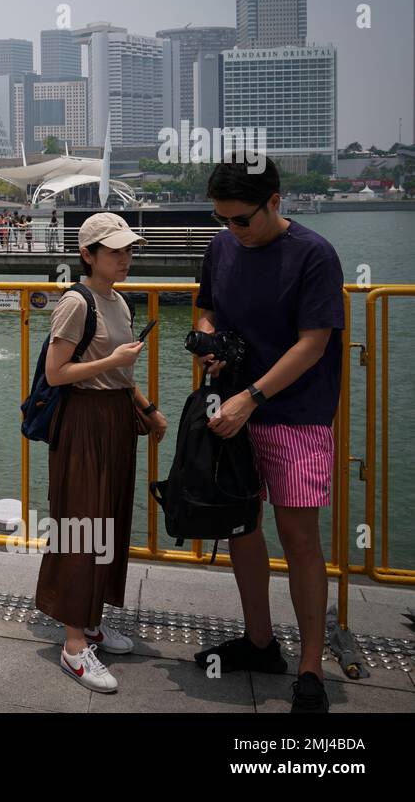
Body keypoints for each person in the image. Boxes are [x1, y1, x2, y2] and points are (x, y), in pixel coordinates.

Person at [192, 158, 343, 714]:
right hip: (231, 411)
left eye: (241, 219)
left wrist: (252, 396)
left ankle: (311, 669)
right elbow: (205, 308)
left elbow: (313, 343)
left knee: (300, 539)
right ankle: (260, 643)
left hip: (294, 414)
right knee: (241, 527)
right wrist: (209, 341)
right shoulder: (221, 245)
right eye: (222, 218)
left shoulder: (315, 254)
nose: (232, 229)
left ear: (275, 201)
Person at [36, 212, 167, 694]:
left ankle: (90, 623)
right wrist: (114, 360)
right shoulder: (77, 301)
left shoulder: (119, 301)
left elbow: (120, 376)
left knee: (108, 521)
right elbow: (56, 373)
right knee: (81, 523)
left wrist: (147, 410)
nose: (126, 258)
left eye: (129, 250)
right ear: (88, 254)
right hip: (83, 421)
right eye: (115, 251)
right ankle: (74, 646)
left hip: (114, 417)